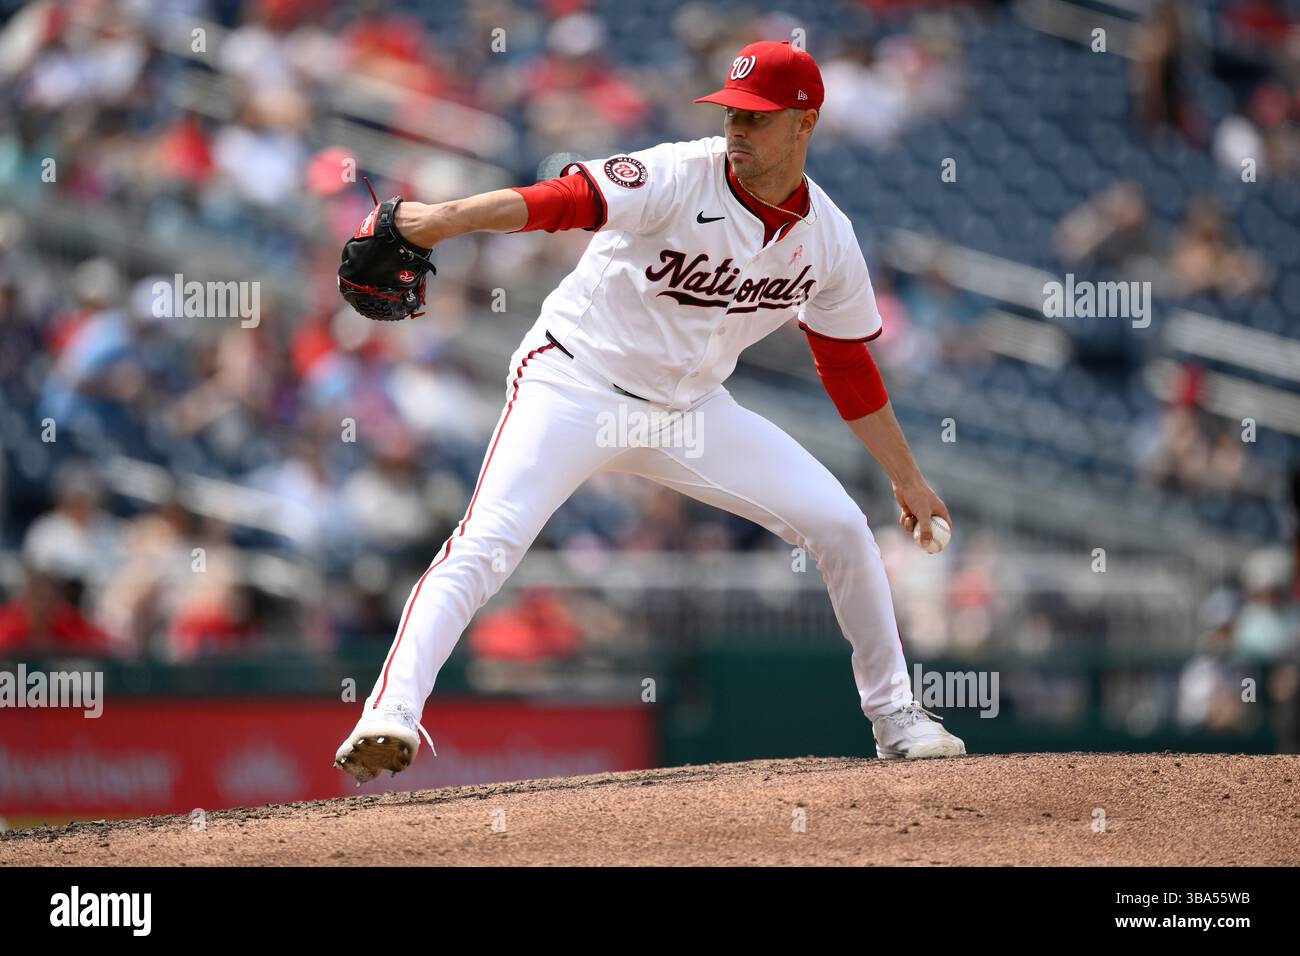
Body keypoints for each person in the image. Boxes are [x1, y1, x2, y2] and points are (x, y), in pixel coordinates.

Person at [334, 40, 966, 784]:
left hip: (689, 411)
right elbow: (563, 202)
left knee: (841, 527)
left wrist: (908, 478)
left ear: (806, 124)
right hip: (575, 383)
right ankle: (390, 713)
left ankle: (896, 716)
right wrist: (439, 220)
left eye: (757, 118)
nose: (737, 128)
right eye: (731, 111)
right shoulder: (677, 173)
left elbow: (848, 365)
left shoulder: (828, 238)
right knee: (486, 543)